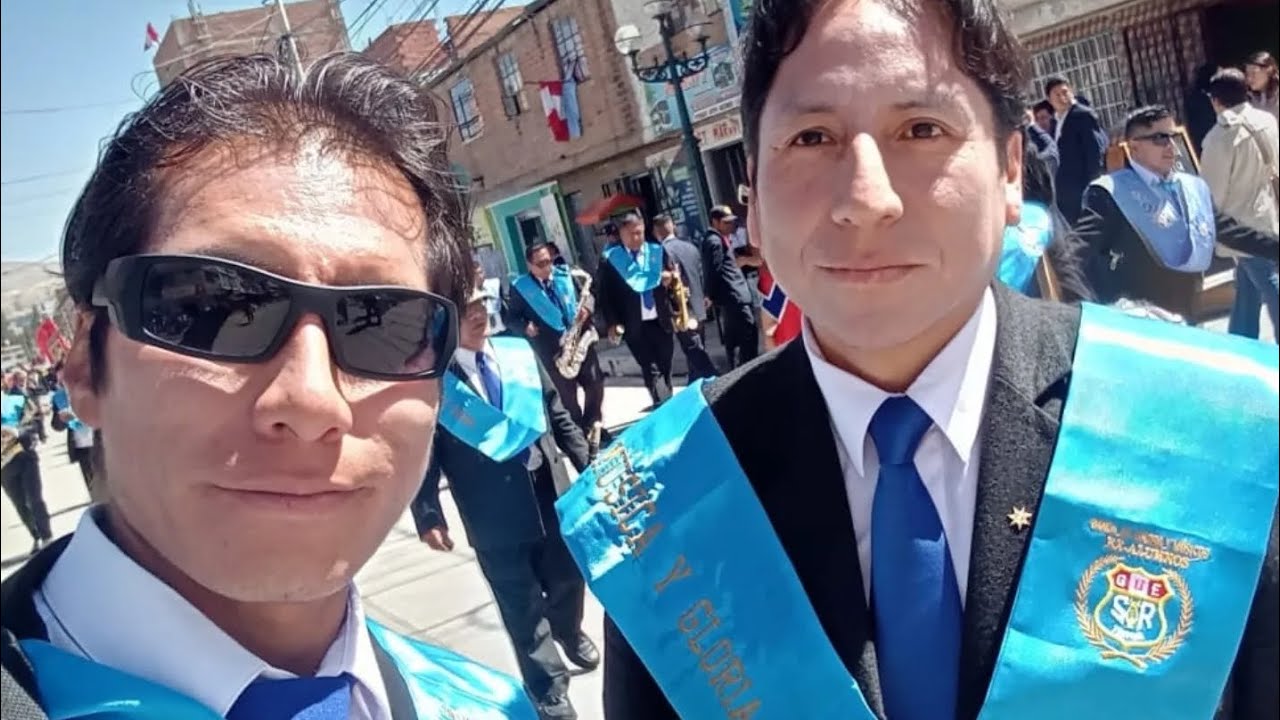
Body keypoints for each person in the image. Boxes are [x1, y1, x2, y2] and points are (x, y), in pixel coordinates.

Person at [554, 2, 1280, 719]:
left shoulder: (1204, 432)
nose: (866, 199)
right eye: (812, 137)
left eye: (922, 129)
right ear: (754, 201)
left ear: (1010, 171)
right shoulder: (669, 496)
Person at [0, 53, 538, 720]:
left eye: (386, 324)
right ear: (85, 362)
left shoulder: (485, 705)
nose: (311, 400)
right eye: (213, 307)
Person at [413, 290, 597, 720]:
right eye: (466, 311)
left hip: (549, 493)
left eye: (481, 305)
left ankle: (567, 630)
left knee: (570, 577)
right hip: (491, 512)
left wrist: (588, 466)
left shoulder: (518, 354)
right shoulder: (436, 385)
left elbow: (557, 413)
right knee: (521, 606)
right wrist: (428, 513)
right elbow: (424, 454)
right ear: (445, 322)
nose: (478, 315)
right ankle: (548, 687)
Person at [1074, 104, 1279, 319]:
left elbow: (1229, 231)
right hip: (1136, 318)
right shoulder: (1111, 194)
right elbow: (1078, 249)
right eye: (1160, 138)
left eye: (1173, 137)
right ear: (1134, 147)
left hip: (1184, 312)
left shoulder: (1189, 188)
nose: (1171, 146)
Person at [1201, 68, 1280, 341]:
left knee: (1266, 280)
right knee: (1248, 285)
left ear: (1215, 100)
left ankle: (1240, 341)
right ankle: (1240, 340)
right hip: (1265, 211)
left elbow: (1211, 191)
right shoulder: (1266, 120)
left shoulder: (1219, 135)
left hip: (1238, 223)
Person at [507, 242, 607, 442]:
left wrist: (587, 308)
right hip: (552, 351)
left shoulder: (565, 275)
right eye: (541, 264)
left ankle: (593, 424)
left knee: (595, 383)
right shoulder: (520, 288)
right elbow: (511, 318)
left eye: (549, 261)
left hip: (580, 340)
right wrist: (525, 327)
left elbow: (588, 294)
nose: (547, 267)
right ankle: (580, 434)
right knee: (568, 397)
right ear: (530, 265)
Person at [594, 213, 682, 407]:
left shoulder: (656, 252)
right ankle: (663, 404)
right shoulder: (611, 260)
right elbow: (605, 296)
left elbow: (674, 279)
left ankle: (666, 400)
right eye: (631, 234)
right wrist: (612, 323)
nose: (636, 238)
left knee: (665, 364)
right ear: (621, 234)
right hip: (633, 323)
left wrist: (670, 279)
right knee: (650, 367)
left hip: (661, 318)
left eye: (639, 233)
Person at [652, 214, 719, 381]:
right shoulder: (690, 246)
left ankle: (714, 378)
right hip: (698, 305)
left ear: (656, 231)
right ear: (673, 226)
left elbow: (664, 283)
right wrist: (706, 296)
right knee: (696, 347)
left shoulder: (662, 251)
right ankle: (695, 383)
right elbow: (701, 273)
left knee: (694, 349)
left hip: (681, 308)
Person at [1045, 75, 1109, 223]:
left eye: (1065, 92)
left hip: (1083, 188)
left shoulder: (1082, 115)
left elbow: (1094, 152)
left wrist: (1093, 187)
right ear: (1049, 100)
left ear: (1072, 91)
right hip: (1065, 191)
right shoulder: (1055, 121)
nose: (1062, 98)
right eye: (1057, 95)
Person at [702, 206, 760, 368]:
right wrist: (709, 295)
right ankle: (749, 369)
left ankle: (740, 368)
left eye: (731, 222)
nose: (730, 226)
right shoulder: (713, 241)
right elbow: (713, 270)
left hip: (734, 296)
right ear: (715, 222)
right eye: (726, 222)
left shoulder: (719, 238)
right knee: (747, 334)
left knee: (735, 338)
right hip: (733, 296)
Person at [2, 376, 52, 554]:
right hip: (4, 466)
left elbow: (35, 423)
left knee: (34, 499)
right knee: (20, 505)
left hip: (25, 456)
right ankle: (36, 536)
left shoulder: (16, 400)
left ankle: (47, 537)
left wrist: (16, 431)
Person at [48, 364, 95, 495]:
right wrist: (61, 419)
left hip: (99, 442)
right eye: (60, 380)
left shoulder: (90, 389)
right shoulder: (59, 397)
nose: (63, 382)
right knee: (92, 487)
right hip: (81, 447)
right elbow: (56, 426)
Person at [1246, 51, 1280, 120]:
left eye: (1254, 73)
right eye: (1247, 73)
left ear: (1269, 70)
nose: (1249, 78)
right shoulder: (1246, 96)